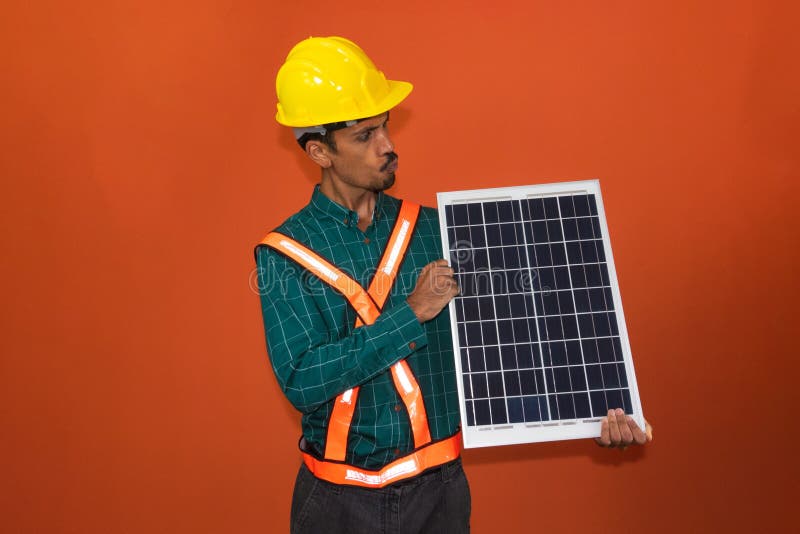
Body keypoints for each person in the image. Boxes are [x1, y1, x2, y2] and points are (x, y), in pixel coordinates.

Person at [254, 35, 651, 534]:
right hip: (336, 504)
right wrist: (411, 313)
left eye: (385, 128)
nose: (388, 147)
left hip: (440, 497)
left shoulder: (439, 229)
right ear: (319, 150)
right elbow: (304, 381)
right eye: (364, 136)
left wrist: (591, 410)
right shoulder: (282, 254)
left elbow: (520, 341)